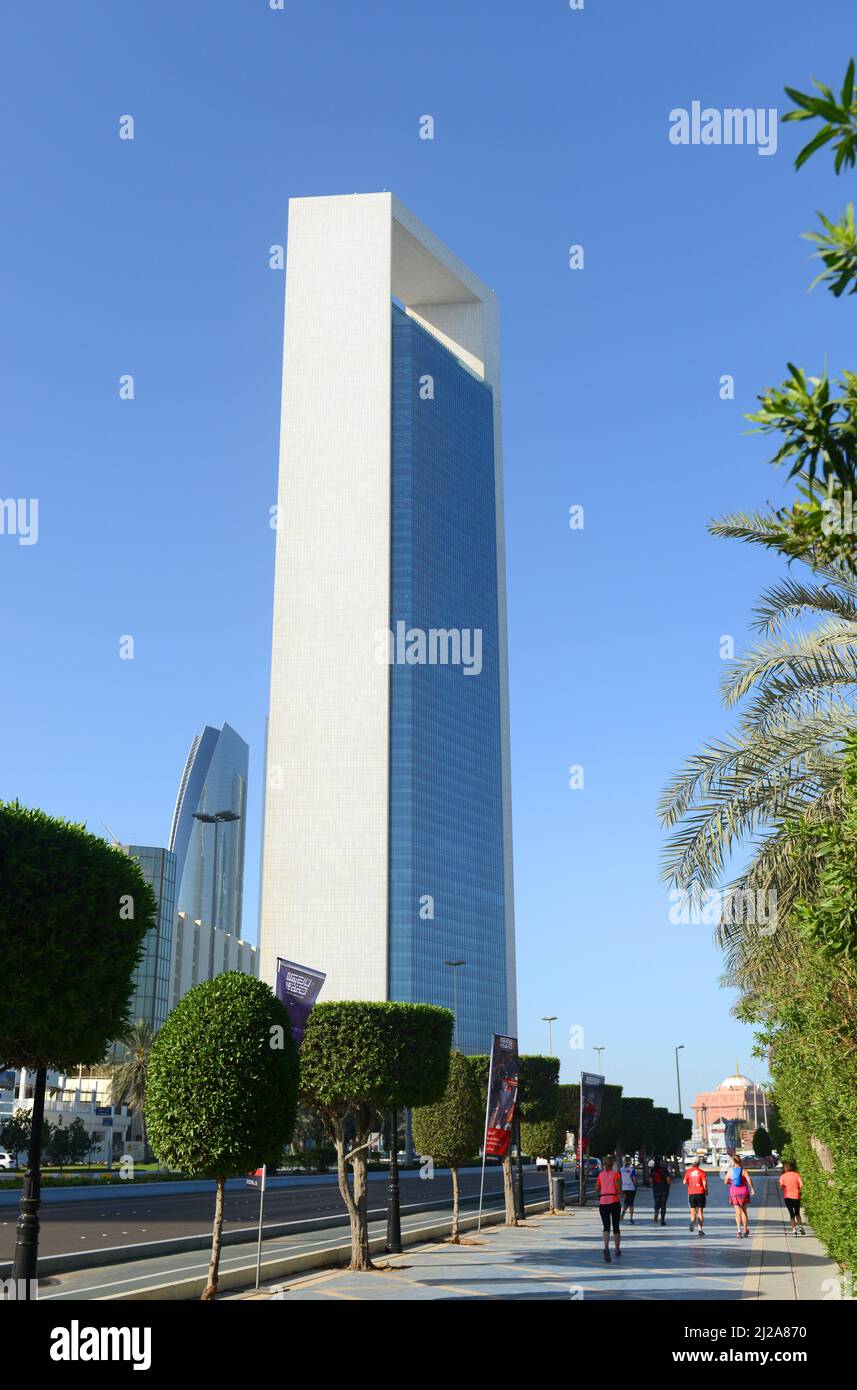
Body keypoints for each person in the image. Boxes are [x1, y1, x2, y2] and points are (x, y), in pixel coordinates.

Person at [596, 1154, 622, 1262]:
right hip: (614, 1201)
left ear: (604, 1164)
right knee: (616, 1227)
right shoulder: (616, 1175)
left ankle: (606, 1248)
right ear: (613, 1164)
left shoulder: (600, 1175)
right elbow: (619, 1189)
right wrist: (622, 1193)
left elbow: (596, 1188)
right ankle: (617, 1249)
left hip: (603, 1202)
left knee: (606, 1226)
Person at [724, 1156, 755, 1236]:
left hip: (734, 1192)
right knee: (744, 1211)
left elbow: (725, 1181)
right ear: (740, 1161)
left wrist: (731, 1183)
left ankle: (739, 1230)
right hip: (744, 1192)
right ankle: (745, 1230)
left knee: (737, 1212)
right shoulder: (744, 1170)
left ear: (733, 1162)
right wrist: (752, 1189)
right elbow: (749, 1180)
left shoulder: (730, 1171)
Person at [778, 1160, 805, 1235]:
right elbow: (801, 1184)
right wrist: (798, 1188)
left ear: (785, 1168)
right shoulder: (796, 1175)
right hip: (796, 1196)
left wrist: (783, 1187)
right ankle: (800, 1226)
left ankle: (794, 1231)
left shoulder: (783, 1176)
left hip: (787, 1197)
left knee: (791, 1214)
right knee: (797, 1213)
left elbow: (780, 1186)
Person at [683, 1156, 708, 1235]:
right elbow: (704, 1183)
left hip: (691, 1193)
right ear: (699, 1163)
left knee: (692, 1211)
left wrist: (689, 1183)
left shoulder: (688, 1172)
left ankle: (693, 1220)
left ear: (692, 1164)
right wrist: (706, 1191)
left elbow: (684, 1182)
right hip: (700, 1193)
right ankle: (700, 1230)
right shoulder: (702, 1172)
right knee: (700, 1212)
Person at [650, 1156, 671, 1225]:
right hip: (664, 1189)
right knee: (663, 1205)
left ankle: (656, 1212)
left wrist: (652, 1185)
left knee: (657, 1202)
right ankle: (662, 1220)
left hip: (656, 1189)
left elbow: (650, 1180)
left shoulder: (653, 1170)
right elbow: (668, 1180)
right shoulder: (664, 1170)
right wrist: (668, 1185)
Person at [619, 1154, 637, 1223]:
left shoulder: (621, 1169)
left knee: (626, 1202)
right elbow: (634, 1179)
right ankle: (631, 1218)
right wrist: (635, 1185)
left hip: (624, 1188)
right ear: (630, 1162)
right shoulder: (632, 1170)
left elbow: (620, 1179)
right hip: (631, 1188)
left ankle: (622, 1215)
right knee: (631, 1203)